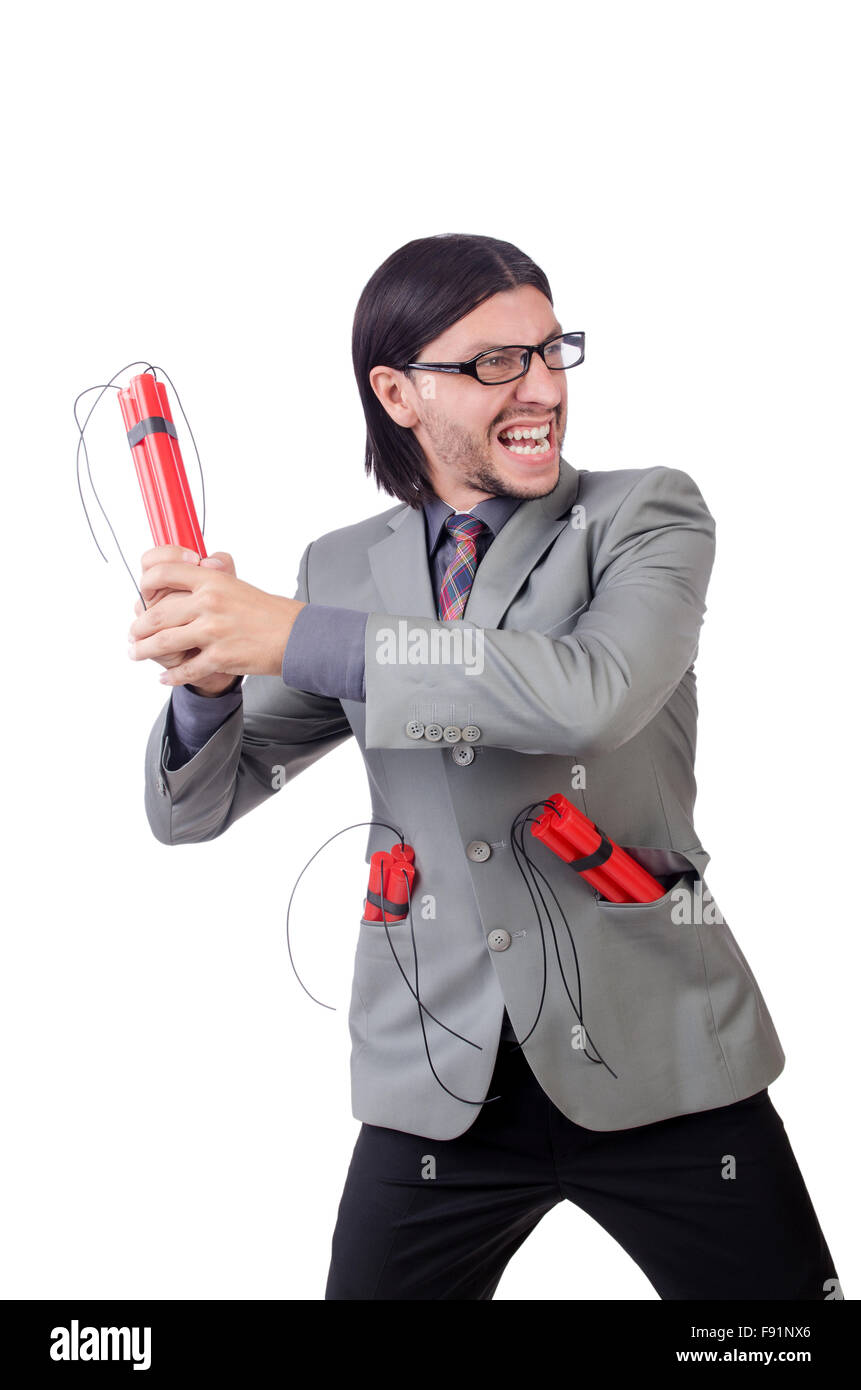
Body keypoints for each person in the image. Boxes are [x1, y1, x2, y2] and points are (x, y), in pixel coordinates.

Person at [133, 233, 840, 1300]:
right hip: (437, 1082)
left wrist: (295, 634)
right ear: (398, 393)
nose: (543, 388)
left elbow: (590, 694)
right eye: (494, 363)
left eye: (553, 352)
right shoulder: (342, 569)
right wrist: (210, 677)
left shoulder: (644, 514)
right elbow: (201, 805)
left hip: (663, 1061)